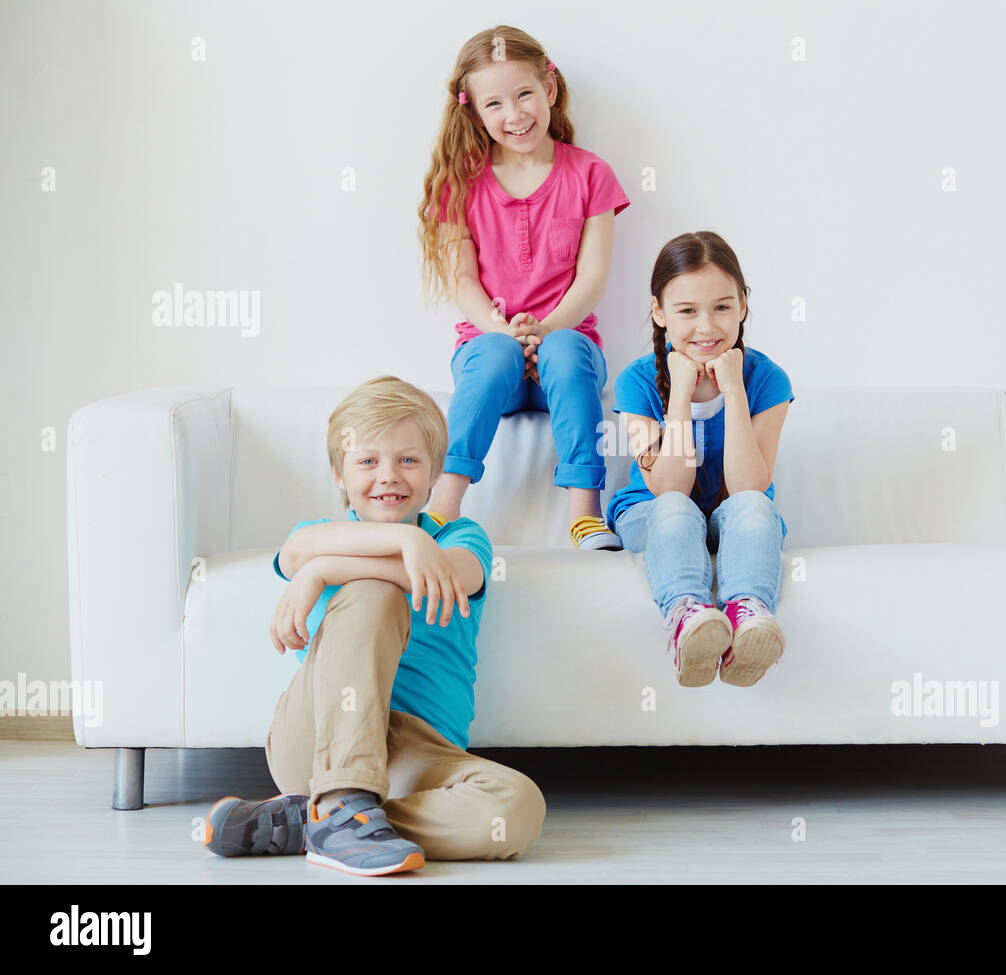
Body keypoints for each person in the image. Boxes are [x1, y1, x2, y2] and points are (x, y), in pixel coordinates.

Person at [203, 376, 545, 876]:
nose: (389, 476)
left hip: (416, 753)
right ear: (340, 476)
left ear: (434, 475)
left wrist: (331, 569)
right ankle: (339, 801)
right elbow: (297, 553)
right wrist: (403, 546)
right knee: (374, 592)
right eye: (368, 461)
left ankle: (317, 820)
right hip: (317, 740)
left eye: (408, 460)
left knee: (518, 808)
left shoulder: (461, 537)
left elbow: (447, 578)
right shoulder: (317, 537)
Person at [417, 25, 629, 549]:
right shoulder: (461, 183)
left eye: (524, 94)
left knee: (562, 348)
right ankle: (443, 506)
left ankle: (584, 515)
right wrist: (504, 332)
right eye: (495, 104)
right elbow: (463, 279)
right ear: (473, 112)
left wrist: (547, 328)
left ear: (550, 89)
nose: (514, 115)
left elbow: (593, 277)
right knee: (490, 353)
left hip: (566, 348)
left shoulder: (590, 175)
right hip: (493, 350)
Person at [607, 232, 795, 688]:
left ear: (744, 304)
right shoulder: (636, 381)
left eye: (722, 307)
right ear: (659, 312)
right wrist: (682, 392)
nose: (706, 327)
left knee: (756, 506)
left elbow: (749, 486)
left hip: (733, 515)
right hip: (653, 512)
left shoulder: (767, 379)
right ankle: (687, 616)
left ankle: (746, 613)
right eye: (687, 311)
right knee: (677, 508)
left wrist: (733, 390)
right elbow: (670, 486)